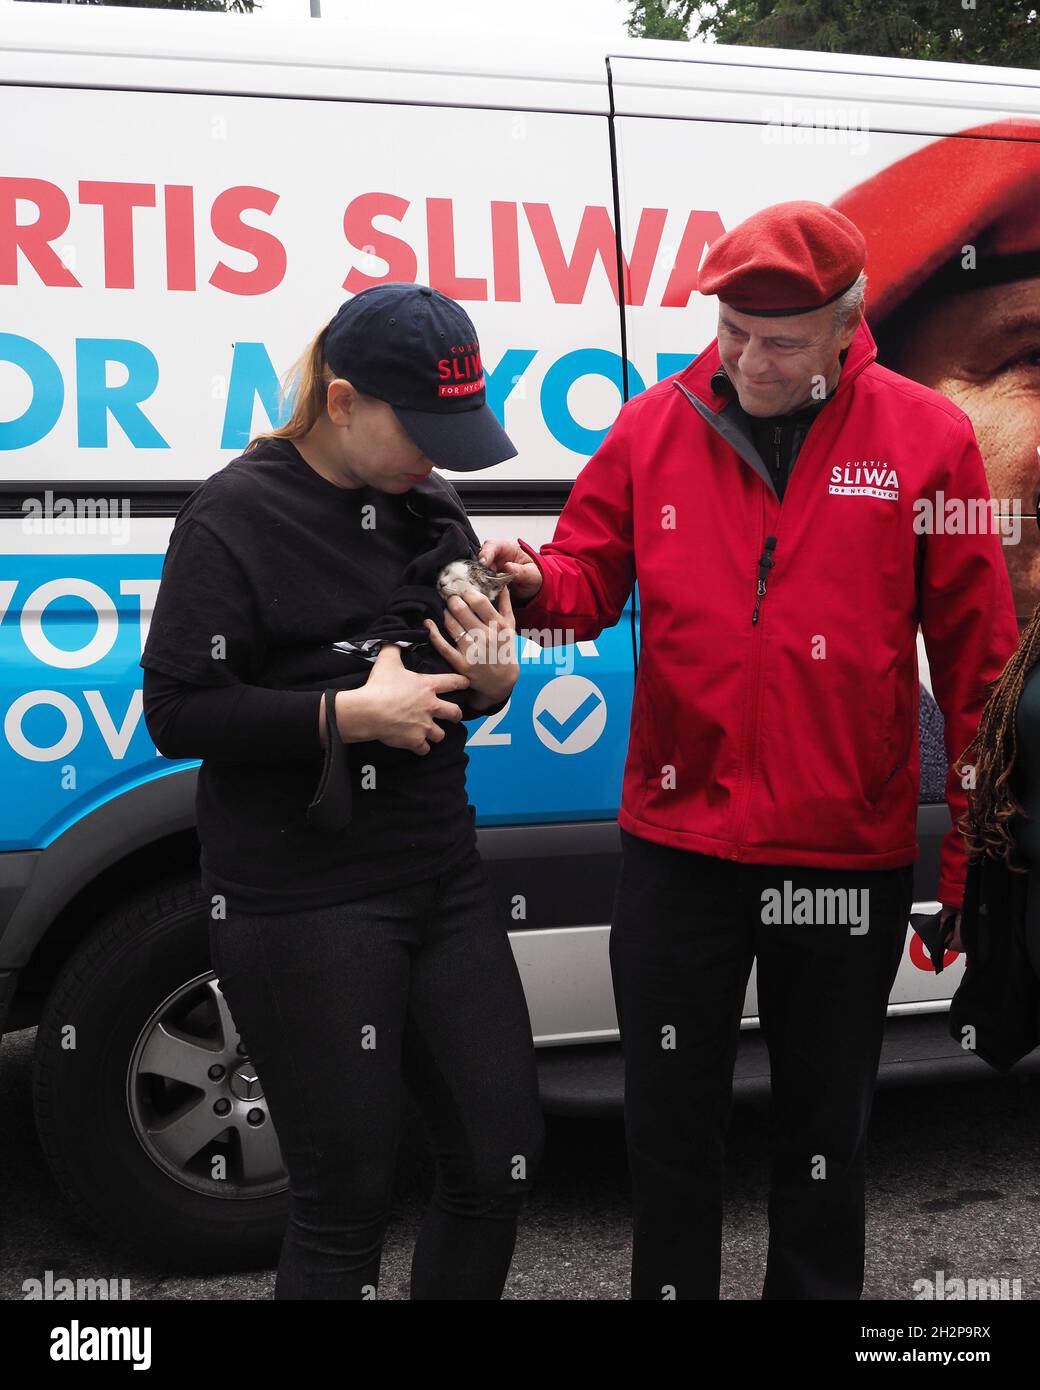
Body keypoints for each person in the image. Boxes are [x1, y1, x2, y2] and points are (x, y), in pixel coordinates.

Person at [483, 201, 1020, 1299]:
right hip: (678, 851)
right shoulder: (652, 424)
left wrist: (973, 856)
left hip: (841, 857)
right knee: (668, 1133)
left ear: (844, 327)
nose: (745, 359)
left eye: (778, 340)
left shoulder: (926, 437)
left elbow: (979, 670)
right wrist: (535, 581)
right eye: (730, 330)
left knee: (824, 1140)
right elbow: (587, 578)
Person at [139, 282, 544, 1300]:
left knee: (497, 1159)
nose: (439, 458)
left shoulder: (427, 502)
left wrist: (490, 681)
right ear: (343, 400)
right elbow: (178, 709)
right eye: (423, 430)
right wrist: (340, 718)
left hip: (437, 873)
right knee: (344, 1200)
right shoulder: (234, 515)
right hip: (303, 896)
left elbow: (448, 685)